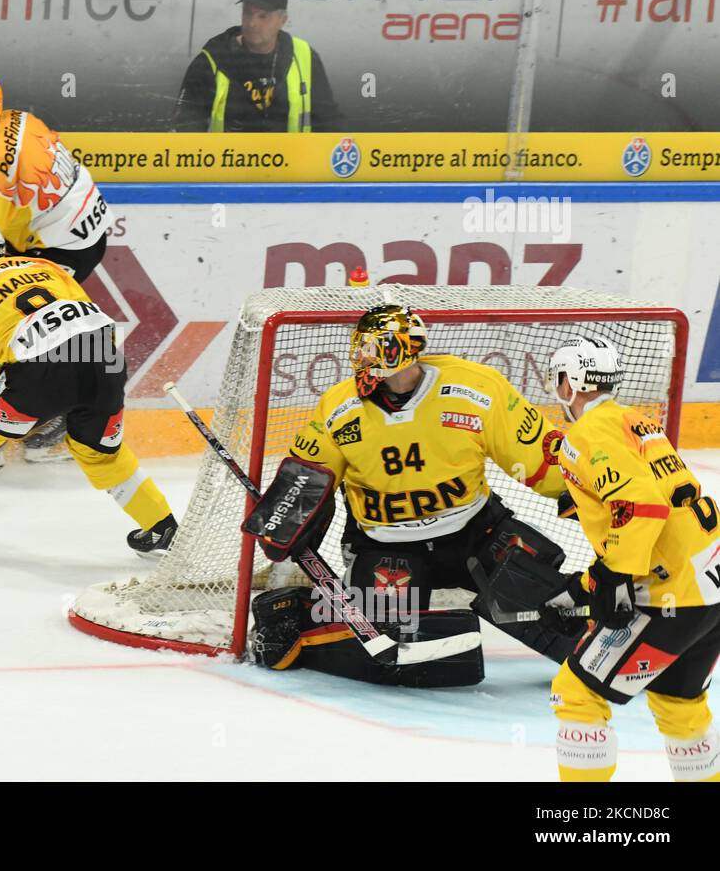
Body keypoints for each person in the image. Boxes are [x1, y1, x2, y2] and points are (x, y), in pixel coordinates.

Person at [250, 304, 579, 687]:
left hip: (474, 532)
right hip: (387, 545)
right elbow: (309, 474)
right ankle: (297, 614)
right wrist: (283, 518)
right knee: (389, 654)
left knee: (560, 621)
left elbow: (538, 455)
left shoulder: (476, 389)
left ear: (399, 350)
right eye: (359, 350)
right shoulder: (340, 407)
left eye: (371, 350)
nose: (360, 361)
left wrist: (586, 493)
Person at [0, 217, 177, 558]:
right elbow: (81, 318)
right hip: (105, 360)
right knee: (101, 454)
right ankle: (163, 527)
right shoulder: (44, 266)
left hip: (38, 373)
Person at [543, 337, 720, 782]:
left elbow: (641, 506)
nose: (557, 387)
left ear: (572, 381)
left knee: (577, 694)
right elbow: (654, 504)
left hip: (672, 594)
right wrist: (586, 585)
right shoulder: (636, 420)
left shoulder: (585, 433)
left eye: (560, 378)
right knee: (677, 700)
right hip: (711, 582)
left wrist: (610, 576)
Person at [0, 68, 118, 464]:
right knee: (37, 336)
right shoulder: (19, 117)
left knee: (8, 330)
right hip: (80, 229)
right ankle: (41, 420)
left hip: (64, 249)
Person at [173, 0, 341, 133]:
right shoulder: (213, 59)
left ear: (282, 20)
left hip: (290, 162)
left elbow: (330, 124)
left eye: (263, 16)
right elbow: (184, 129)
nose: (252, 23)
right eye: (247, 13)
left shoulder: (304, 57)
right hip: (229, 160)